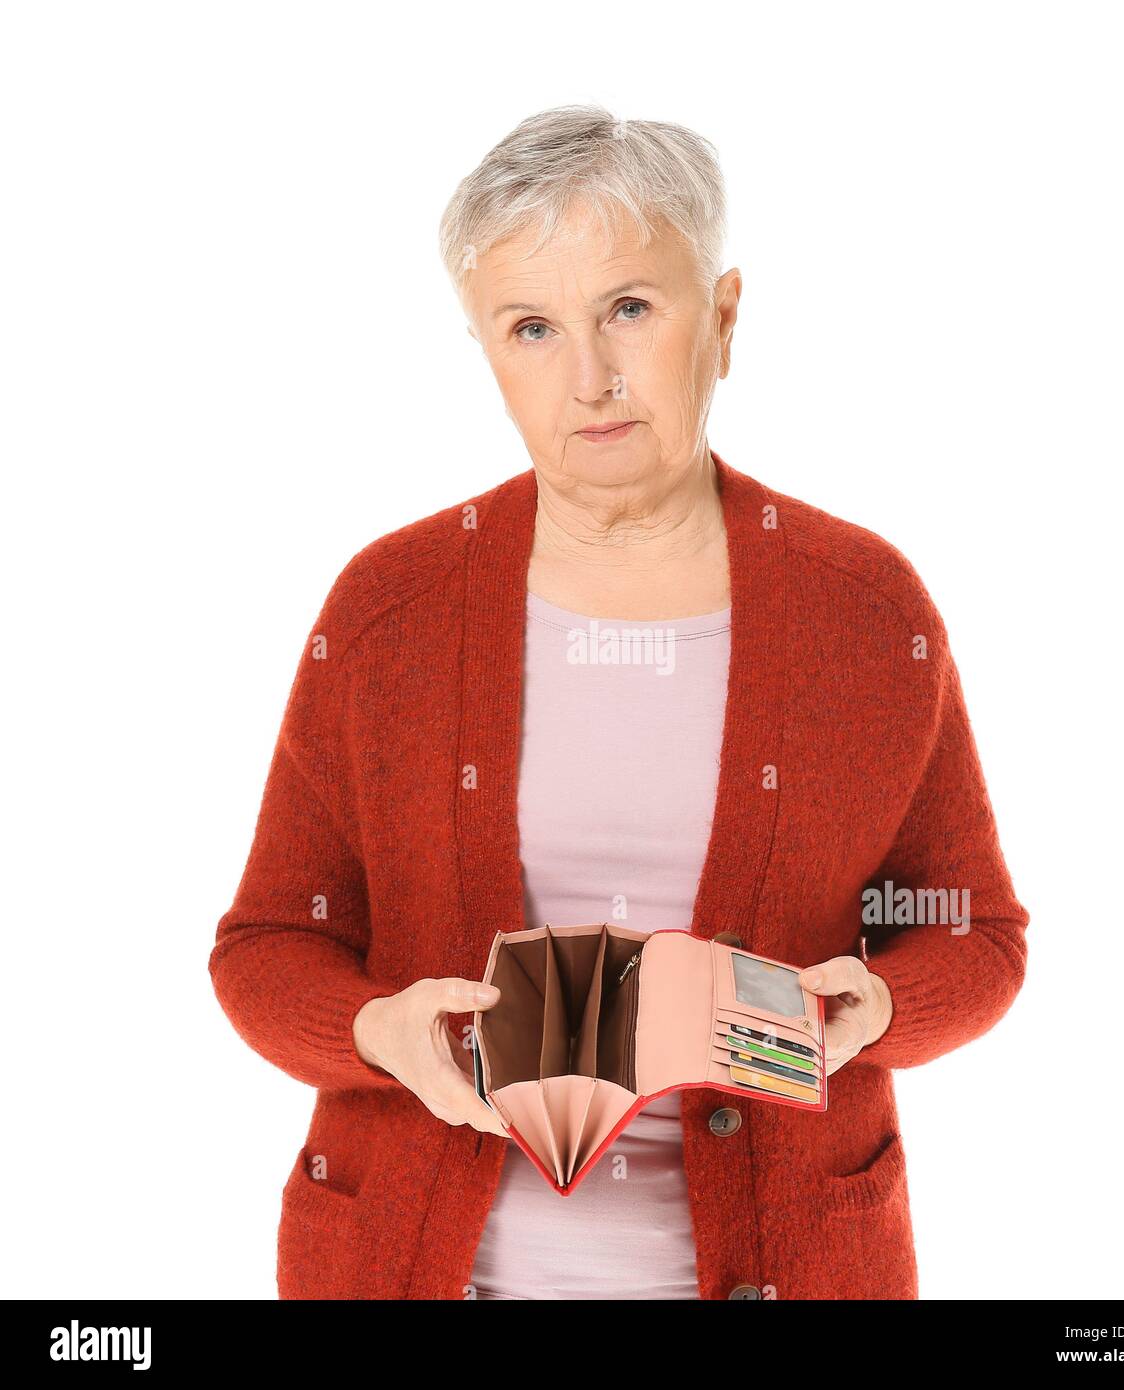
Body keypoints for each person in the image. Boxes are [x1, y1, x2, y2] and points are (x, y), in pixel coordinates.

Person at [209, 104, 1029, 1300]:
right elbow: (267, 947)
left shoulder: (861, 606)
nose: (588, 377)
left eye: (629, 309)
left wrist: (880, 1006)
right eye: (531, 327)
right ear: (486, 348)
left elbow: (980, 935)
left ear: (726, 314)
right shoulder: (391, 607)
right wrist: (376, 1034)